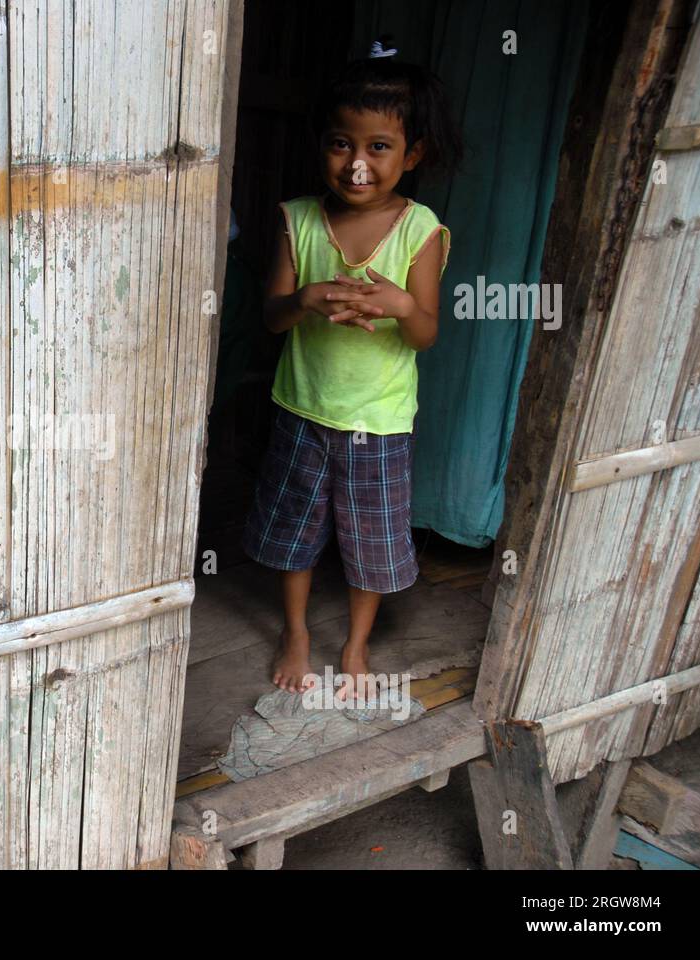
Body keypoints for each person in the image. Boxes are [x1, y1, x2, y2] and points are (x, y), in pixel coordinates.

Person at [241, 42, 462, 703]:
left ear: (412, 154)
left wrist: (398, 304)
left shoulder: (419, 230)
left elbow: (425, 333)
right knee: (294, 533)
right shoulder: (297, 220)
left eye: (379, 147)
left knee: (370, 540)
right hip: (303, 411)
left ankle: (358, 644)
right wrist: (307, 298)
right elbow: (274, 317)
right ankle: (297, 634)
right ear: (324, 145)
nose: (357, 164)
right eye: (342, 144)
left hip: (380, 422)